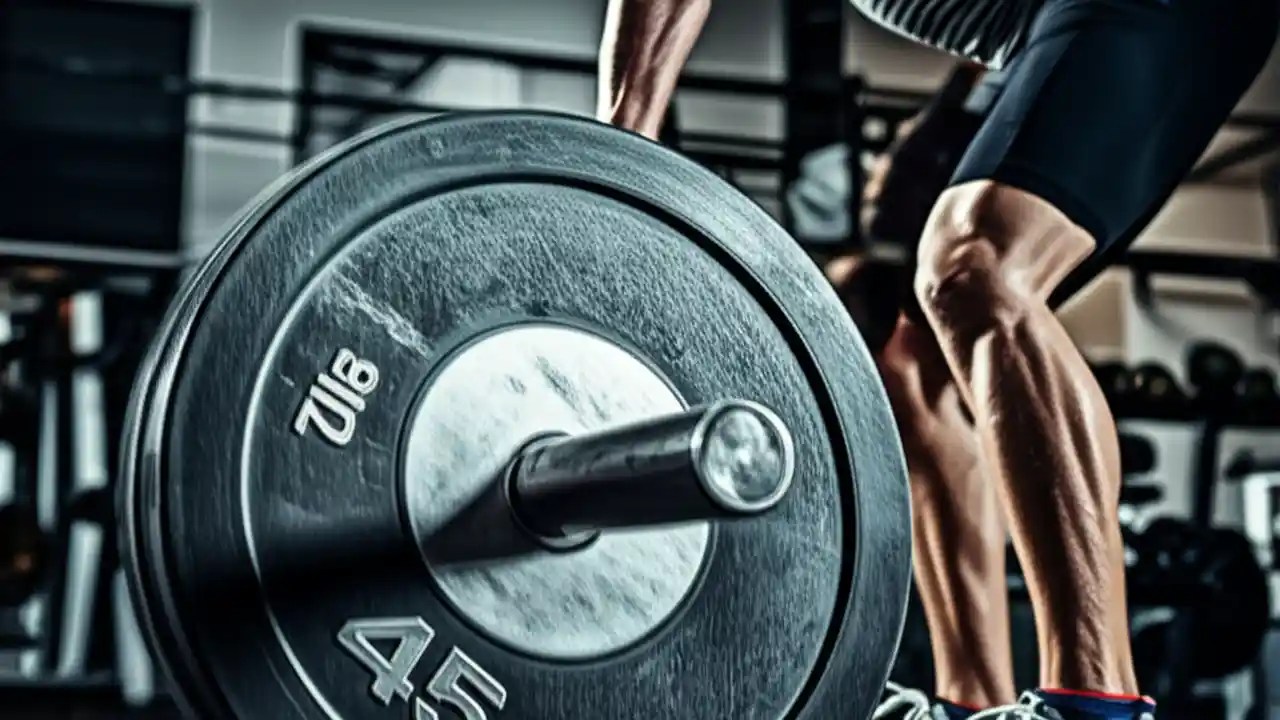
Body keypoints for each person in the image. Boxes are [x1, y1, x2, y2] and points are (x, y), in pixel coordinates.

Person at [595, 0, 1279, 719]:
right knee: (906, 365)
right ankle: (972, 698)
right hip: (1036, 36)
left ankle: (1094, 698)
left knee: (974, 267)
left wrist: (619, 150)